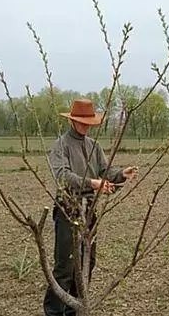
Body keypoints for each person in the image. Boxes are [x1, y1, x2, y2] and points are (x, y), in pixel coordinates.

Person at [43, 98, 138, 316]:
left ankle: (74, 308)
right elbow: (62, 176)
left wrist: (121, 174)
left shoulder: (93, 146)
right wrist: (92, 183)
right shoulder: (61, 146)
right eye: (82, 122)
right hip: (68, 209)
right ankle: (54, 312)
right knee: (65, 266)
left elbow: (105, 171)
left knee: (87, 262)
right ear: (72, 121)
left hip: (89, 212)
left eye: (89, 123)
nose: (86, 126)